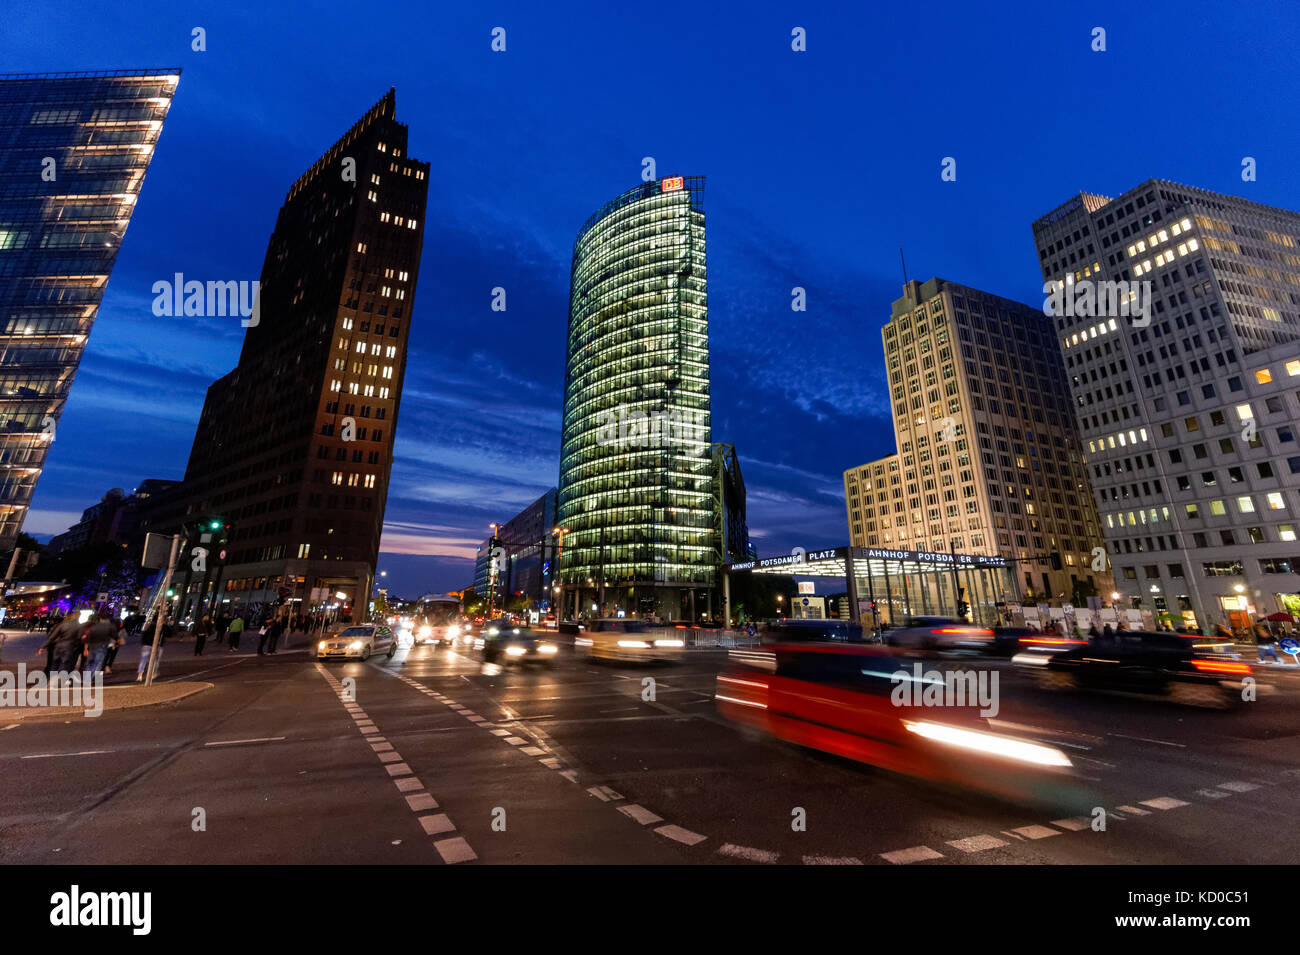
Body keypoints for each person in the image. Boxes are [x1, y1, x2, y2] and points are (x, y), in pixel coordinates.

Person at [39, 613, 85, 679]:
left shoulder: (62, 625)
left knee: (54, 664)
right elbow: (80, 637)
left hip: (58, 647)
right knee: (64, 664)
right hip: (69, 647)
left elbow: (52, 637)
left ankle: (51, 679)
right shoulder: (79, 626)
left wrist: (43, 647)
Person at [83, 612, 118, 677]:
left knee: (90, 663)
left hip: (92, 647)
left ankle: (87, 677)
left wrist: (85, 649)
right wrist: (113, 643)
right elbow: (115, 637)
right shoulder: (111, 626)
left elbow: (88, 638)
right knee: (98, 663)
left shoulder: (94, 626)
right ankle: (90, 677)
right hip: (102, 647)